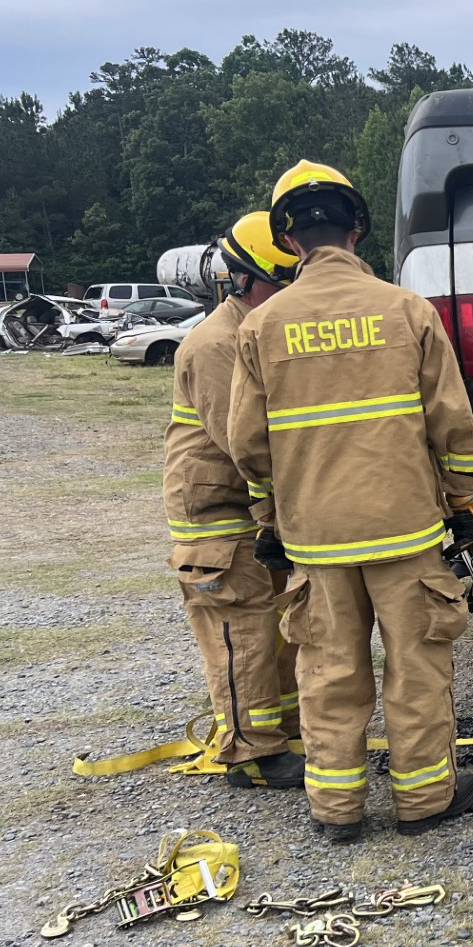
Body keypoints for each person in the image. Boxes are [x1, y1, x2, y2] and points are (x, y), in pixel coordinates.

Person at [228, 160, 473, 844]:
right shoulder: (408, 311)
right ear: (358, 229)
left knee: (328, 673)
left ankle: (337, 810)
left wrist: (268, 520)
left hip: (315, 539)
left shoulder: (262, 326)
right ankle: (425, 799)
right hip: (405, 533)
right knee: (418, 667)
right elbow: (454, 427)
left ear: (287, 239)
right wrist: (462, 504)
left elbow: (248, 446)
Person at [164, 213, 305, 789]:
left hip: (257, 511)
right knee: (241, 633)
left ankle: (285, 732)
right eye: (284, 283)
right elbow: (248, 444)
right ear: (242, 279)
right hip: (219, 516)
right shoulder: (217, 345)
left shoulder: (261, 332)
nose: (294, 295)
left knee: (280, 627)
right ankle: (252, 754)